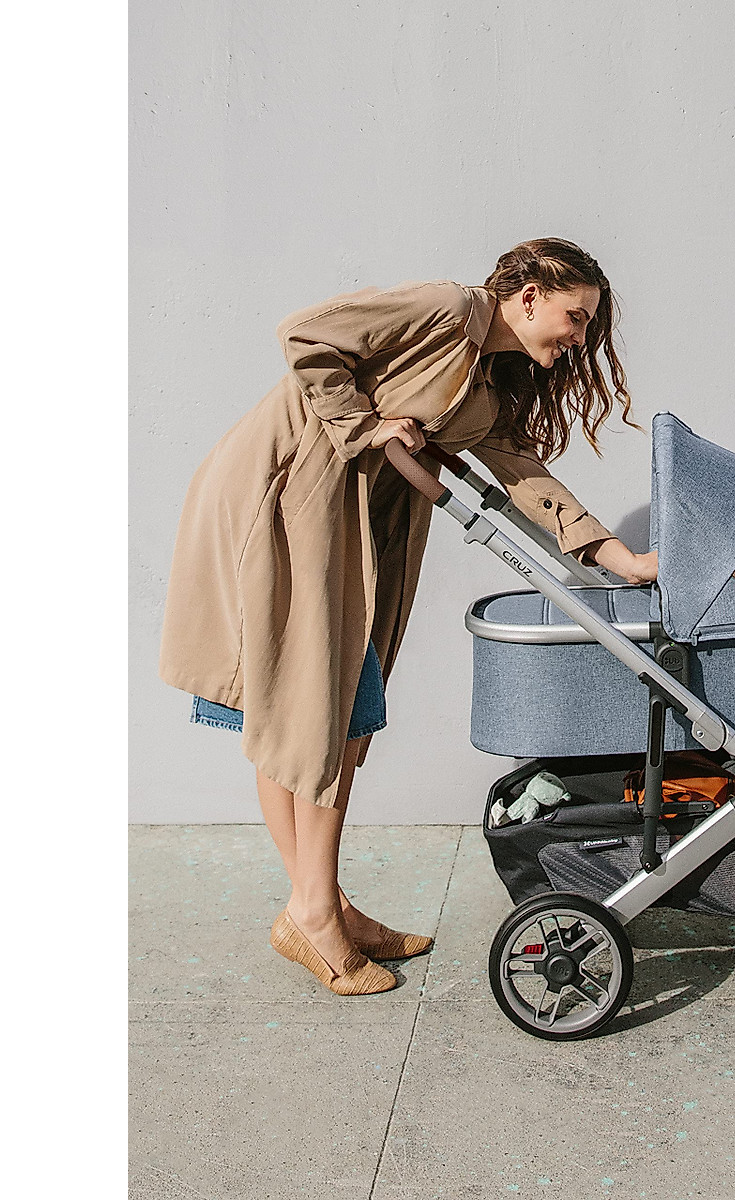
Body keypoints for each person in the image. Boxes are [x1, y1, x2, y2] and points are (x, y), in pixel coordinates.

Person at [159, 238, 657, 996]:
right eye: (576, 316)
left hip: (348, 528)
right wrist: (366, 424)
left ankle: (318, 906)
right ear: (529, 296)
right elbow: (305, 334)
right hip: (284, 505)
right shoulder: (445, 309)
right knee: (306, 709)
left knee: (335, 717)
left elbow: (523, 473)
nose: (579, 337)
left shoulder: (489, 382)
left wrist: (620, 558)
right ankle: (316, 913)